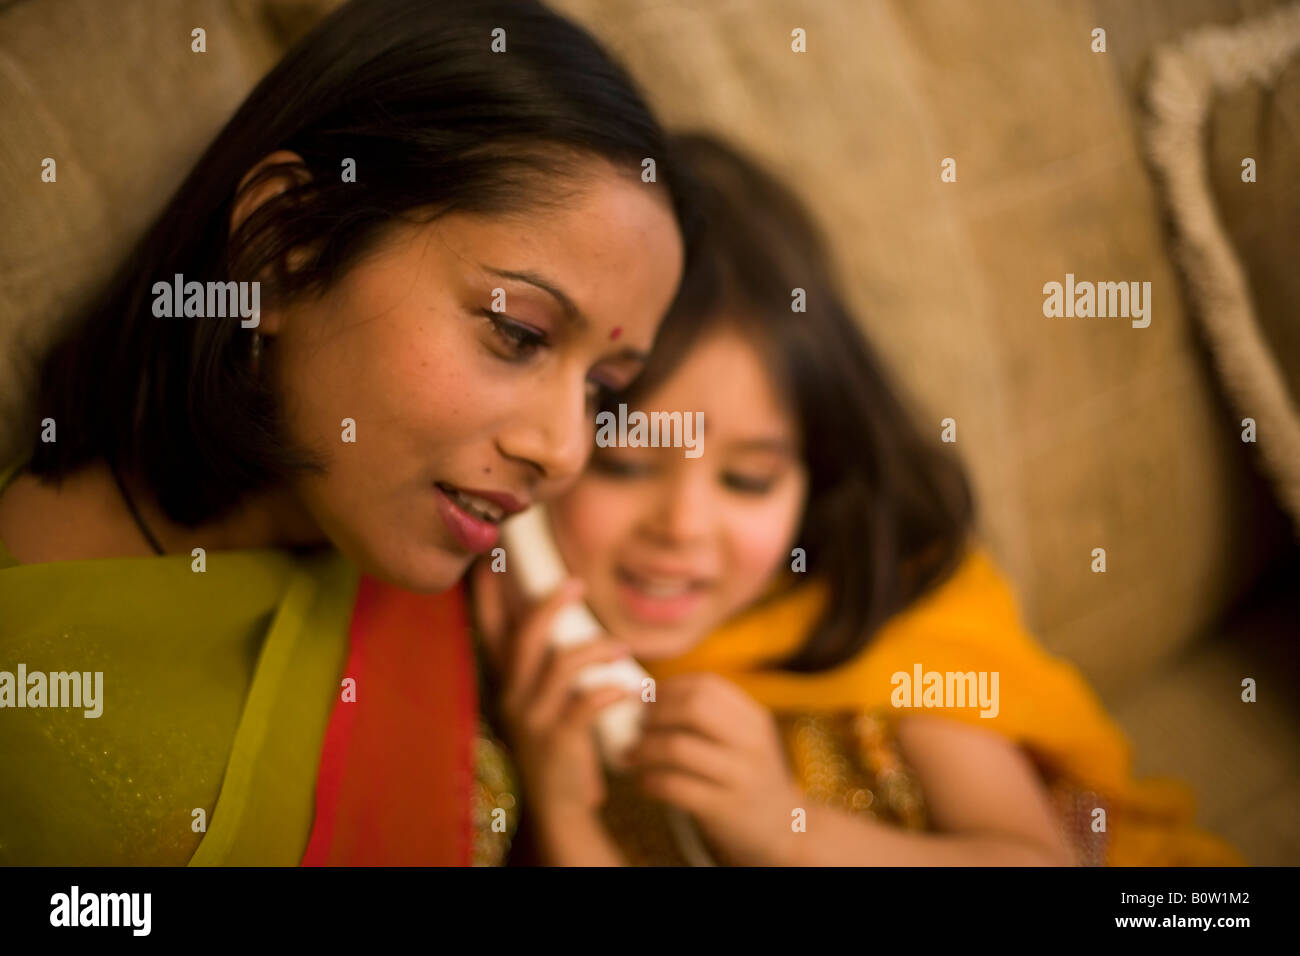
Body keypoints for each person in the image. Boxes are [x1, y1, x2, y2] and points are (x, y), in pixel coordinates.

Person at [0, 0, 695, 865]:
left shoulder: (443, 571)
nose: (564, 452)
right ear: (283, 246)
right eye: (516, 332)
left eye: (602, 390)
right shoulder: (34, 703)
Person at [470, 132, 1245, 866]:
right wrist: (565, 812)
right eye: (626, 466)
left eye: (749, 479)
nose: (684, 527)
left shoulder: (883, 630)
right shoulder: (531, 664)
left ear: (816, 477)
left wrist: (784, 830)